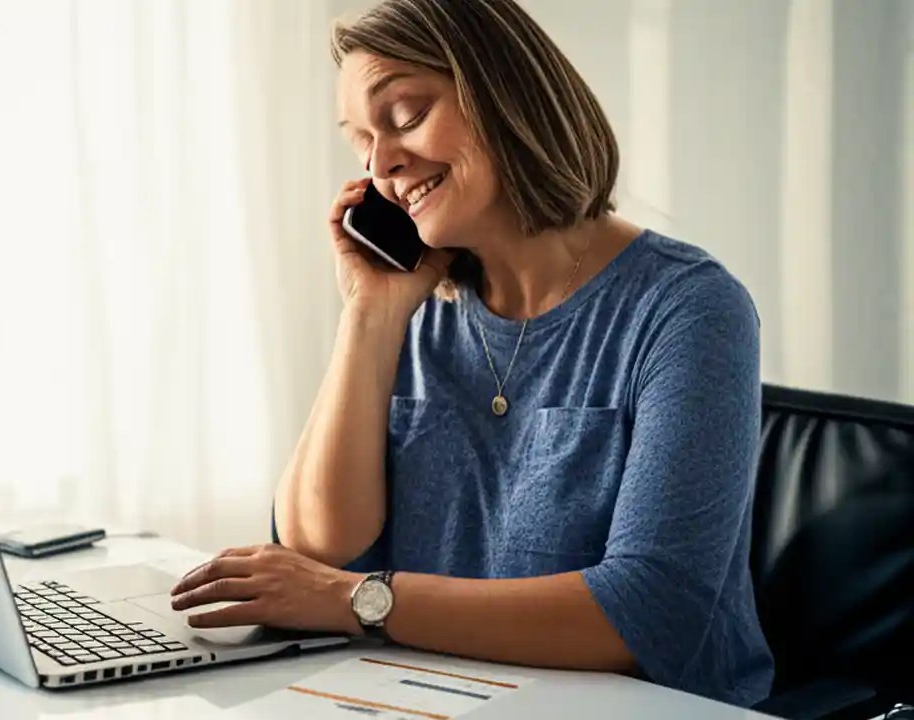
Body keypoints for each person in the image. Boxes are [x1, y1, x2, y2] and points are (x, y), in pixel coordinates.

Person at [169, 0, 773, 707]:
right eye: (361, 142)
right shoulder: (415, 309)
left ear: (506, 95)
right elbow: (317, 550)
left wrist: (363, 602)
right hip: (446, 696)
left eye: (403, 116)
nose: (382, 162)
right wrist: (370, 315)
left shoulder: (688, 308)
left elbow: (647, 608)